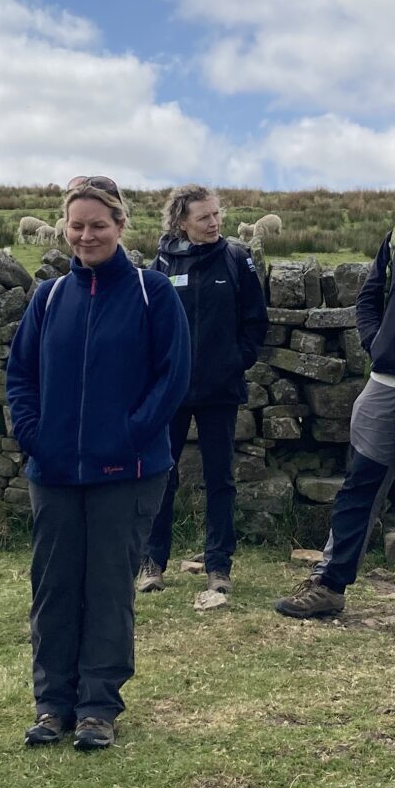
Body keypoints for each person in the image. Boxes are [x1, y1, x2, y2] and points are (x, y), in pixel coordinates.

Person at [5, 175, 192, 751]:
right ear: (64, 227)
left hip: (129, 471)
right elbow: (20, 376)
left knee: (109, 587)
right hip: (55, 471)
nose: (85, 235)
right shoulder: (49, 297)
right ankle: (51, 705)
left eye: (97, 225)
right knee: (54, 586)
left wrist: (133, 434)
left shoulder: (150, 292)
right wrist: (35, 437)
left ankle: (97, 708)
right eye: (76, 225)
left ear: (119, 227)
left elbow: (173, 375)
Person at [274, 142, 395, 623]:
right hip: (385, 381)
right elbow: (369, 296)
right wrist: (375, 343)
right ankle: (329, 583)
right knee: (359, 485)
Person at [137, 185, 269, 601]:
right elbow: (148, 324)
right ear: (181, 222)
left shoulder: (237, 258)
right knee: (161, 474)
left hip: (219, 389)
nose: (214, 223)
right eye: (204, 218)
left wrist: (235, 360)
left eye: (216, 214)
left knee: (220, 478)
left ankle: (218, 567)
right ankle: (151, 563)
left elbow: (255, 320)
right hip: (170, 391)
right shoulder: (161, 263)